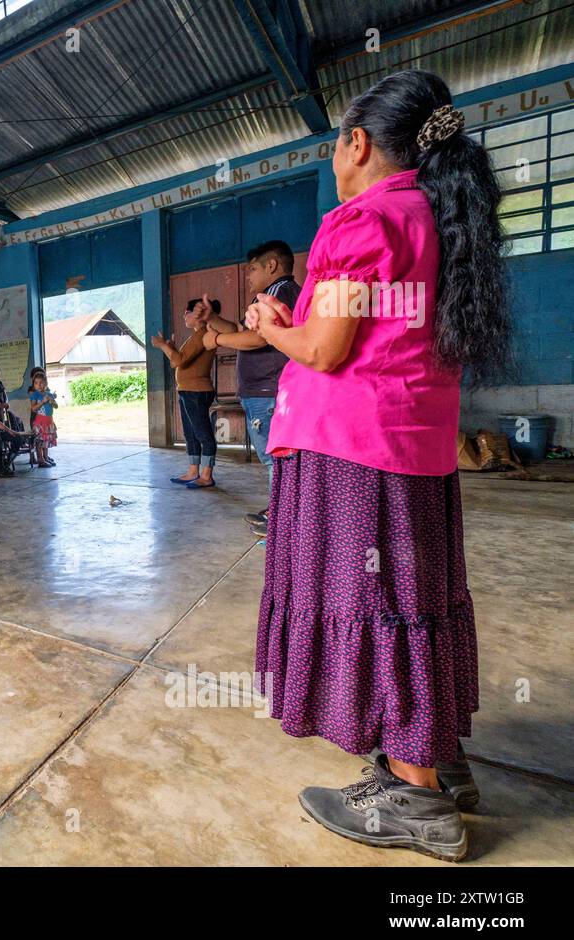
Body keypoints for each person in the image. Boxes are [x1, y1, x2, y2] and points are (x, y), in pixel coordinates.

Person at [247, 69, 511, 861]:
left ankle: (415, 798)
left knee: (369, 598)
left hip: (349, 448)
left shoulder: (364, 219)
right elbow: (367, 330)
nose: (335, 157)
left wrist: (270, 326)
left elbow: (326, 351)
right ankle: (434, 760)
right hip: (412, 446)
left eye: (336, 143)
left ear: (357, 144)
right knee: (411, 596)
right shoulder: (437, 216)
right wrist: (303, 324)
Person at [203, 241, 302, 530]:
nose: (248, 276)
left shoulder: (275, 293)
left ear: (271, 266)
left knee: (275, 461)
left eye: (253, 269)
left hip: (268, 392)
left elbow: (259, 338)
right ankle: (280, 510)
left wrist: (216, 341)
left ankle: (282, 521)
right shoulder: (283, 293)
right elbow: (240, 331)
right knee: (279, 460)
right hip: (269, 392)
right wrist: (213, 321)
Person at [154, 297, 219, 487]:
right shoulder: (195, 335)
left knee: (203, 434)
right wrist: (171, 348)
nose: (184, 315)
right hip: (188, 391)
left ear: (198, 315)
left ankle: (206, 476)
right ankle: (193, 471)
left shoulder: (202, 335)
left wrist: (163, 346)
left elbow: (177, 361)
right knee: (190, 434)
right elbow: (180, 358)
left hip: (197, 392)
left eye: (187, 312)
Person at [27, 370, 59, 469]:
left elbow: (56, 406)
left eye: (41, 383)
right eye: (36, 383)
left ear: (45, 383)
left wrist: (52, 401)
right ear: (34, 385)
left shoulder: (48, 393)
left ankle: (45, 457)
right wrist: (42, 402)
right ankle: (40, 460)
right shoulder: (35, 395)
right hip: (40, 421)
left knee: (46, 440)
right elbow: (33, 408)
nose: (39, 385)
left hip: (48, 421)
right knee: (40, 441)